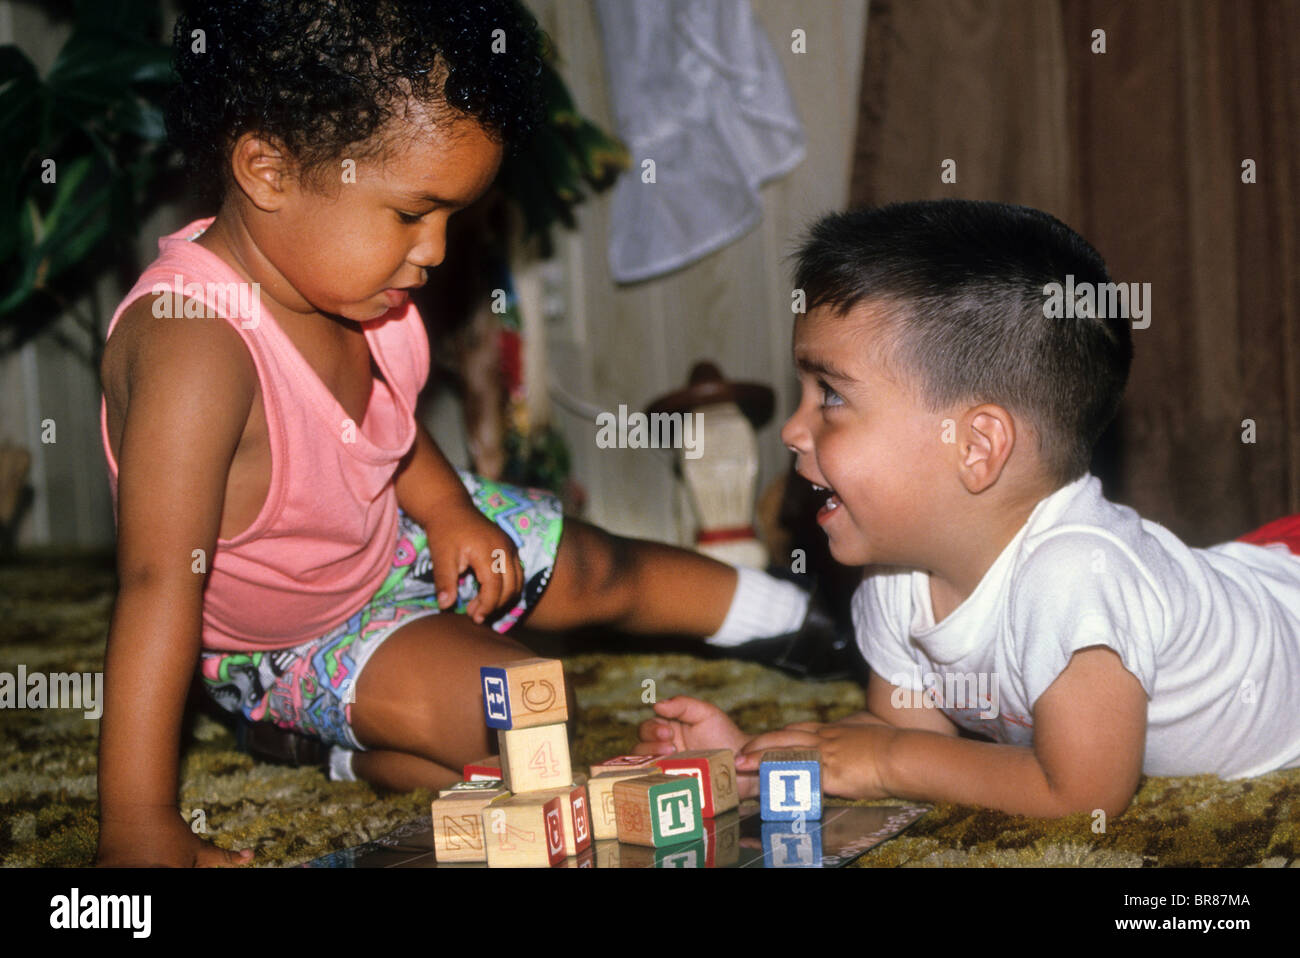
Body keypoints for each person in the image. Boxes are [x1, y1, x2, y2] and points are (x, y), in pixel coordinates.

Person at [94, 0, 816, 867]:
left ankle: (802, 622)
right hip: (292, 638)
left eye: (452, 218)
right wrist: (137, 827)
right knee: (527, 712)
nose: (433, 252)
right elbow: (153, 584)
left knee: (595, 565)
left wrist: (445, 512)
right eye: (411, 214)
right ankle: (309, 734)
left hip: (388, 528)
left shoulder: (351, 281)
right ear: (267, 169)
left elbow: (379, 428)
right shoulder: (194, 346)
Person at [638, 199, 1300, 819]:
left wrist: (891, 763)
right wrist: (757, 761)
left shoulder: (1077, 575)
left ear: (976, 446)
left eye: (830, 395)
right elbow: (897, 734)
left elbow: (1084, 793)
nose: (791, 429)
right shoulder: (893, 577)